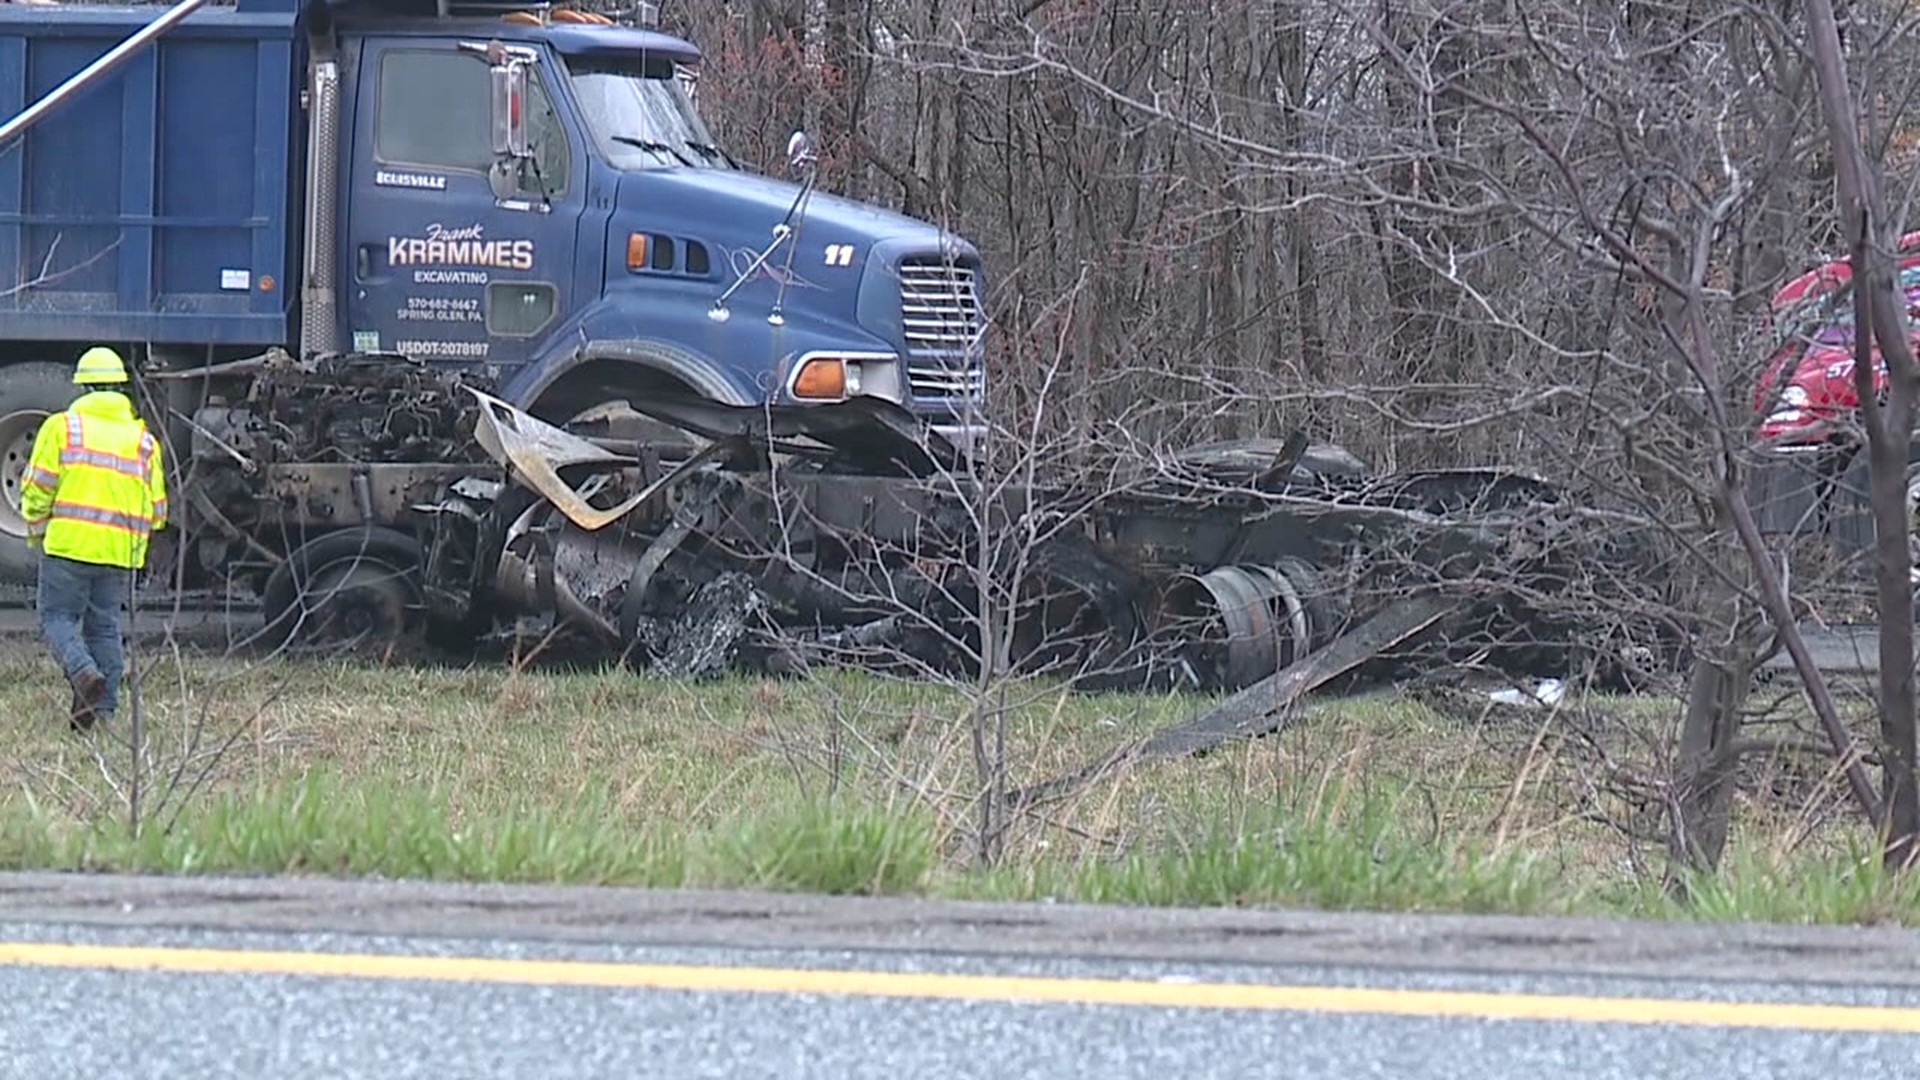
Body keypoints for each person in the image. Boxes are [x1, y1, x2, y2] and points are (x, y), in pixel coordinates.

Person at [20, 346, 168, 732]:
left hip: (68, 546)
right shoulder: (144, 441)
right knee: (104, 628)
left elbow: (37, 489)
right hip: (118, 553)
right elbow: (158, 510)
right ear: (120, 387)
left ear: (84, 387)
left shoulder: (64, 427)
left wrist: (36, 528)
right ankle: (105, 715)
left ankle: (84, 674)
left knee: (57, 619)